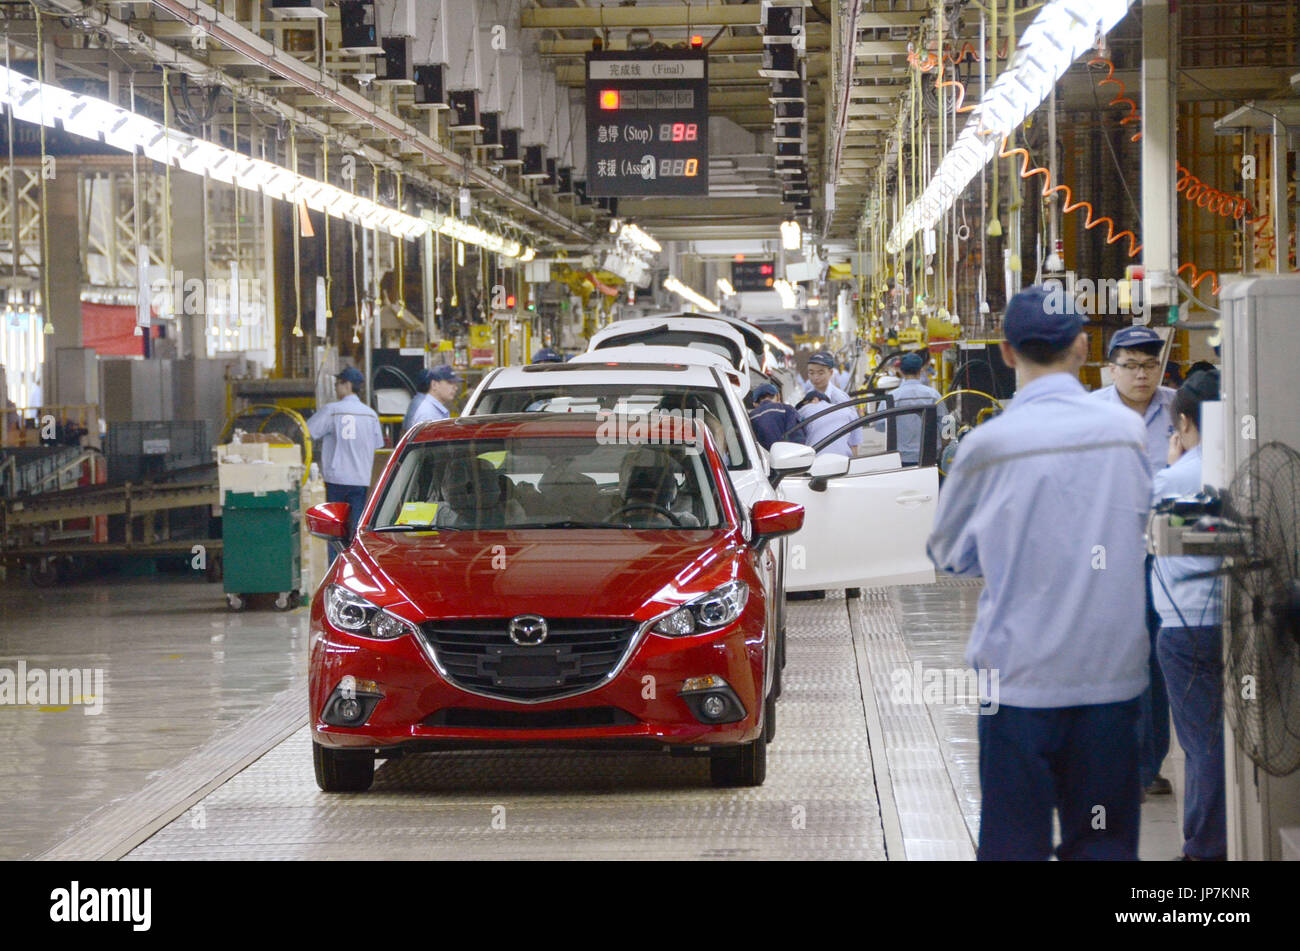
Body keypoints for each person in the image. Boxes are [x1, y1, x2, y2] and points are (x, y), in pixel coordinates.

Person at [927, 285, 1153, 860]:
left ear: (1006, 352)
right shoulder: (1126, 435)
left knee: (1014, 844)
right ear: (1082, 346)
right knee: (1102, 845)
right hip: (1111, 679)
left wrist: (1007, 550)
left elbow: (949, 553)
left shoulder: (987, 446)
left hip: (1019, 684)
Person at [1090, 325, 1177, 798]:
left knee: (1159, 659)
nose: (1142, 374)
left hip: (1166, 555)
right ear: (1110, 368)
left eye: (1150, 364)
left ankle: (1149, 764)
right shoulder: (1090, 414)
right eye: (1131, 365)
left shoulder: (1179, 408)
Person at [1150, 369, 1225, 861]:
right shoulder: (1234, 470)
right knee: (1223, 739)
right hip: (1233, 621)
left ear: (1184, 423)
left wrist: (1172, 467)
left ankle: (1203, 849)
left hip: (1184, 629)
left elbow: (1160, 544)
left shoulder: (1172, 478)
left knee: (1201, 745)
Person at [307, 366, 385, 562]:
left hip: (336, 480)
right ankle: (356, 567)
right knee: (356, 531)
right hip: (361, 480)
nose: (335, 388)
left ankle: (336, 568)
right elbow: (379, 447)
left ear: (347, 385)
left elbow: (307, 432)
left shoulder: (332, 411)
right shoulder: (370, 415)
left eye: (338, 384)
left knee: (334, 531)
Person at [875, 352, 941, 466]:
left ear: (900, 371)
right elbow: (948, 421)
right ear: (920, 371)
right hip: (929, 457)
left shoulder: (892, 397)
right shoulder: (934, 395)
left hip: (900, 458)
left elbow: (880, 425)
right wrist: (948, 443)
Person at [798, 350, 862, 457]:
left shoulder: (840, 399)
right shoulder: (808, 396)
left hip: (839, 456)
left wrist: (854, 461)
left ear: (831, 373)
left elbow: (854, 434)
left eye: (820, 373)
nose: (815, 377)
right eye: (811, 372)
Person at [402, 365, 462, 435]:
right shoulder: (429, 413)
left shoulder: (430, 409)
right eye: (450, 382)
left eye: (455, 383)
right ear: (434, 385)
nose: (455, 388)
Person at [747, 383, 803, 451]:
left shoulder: (750, 418)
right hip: (787, 456)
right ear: (778, 397)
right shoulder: (787, 409)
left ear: (755, 404)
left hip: (762, 460)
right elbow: (797, 438)